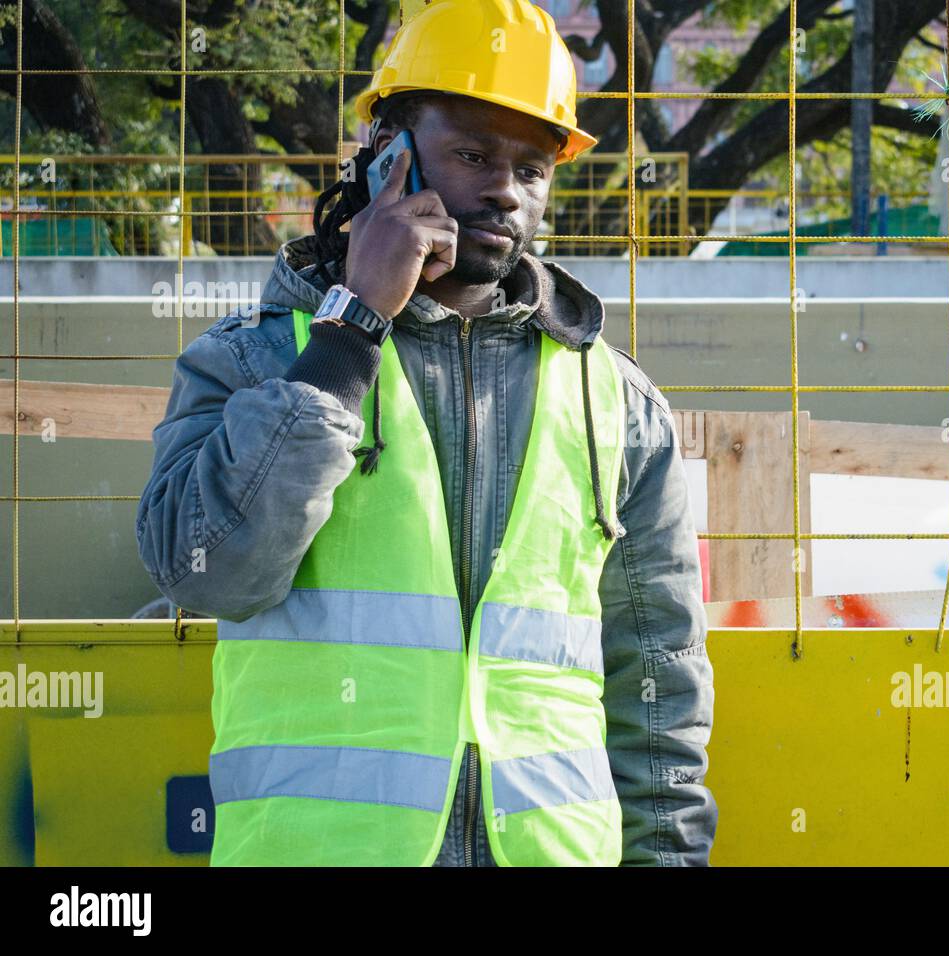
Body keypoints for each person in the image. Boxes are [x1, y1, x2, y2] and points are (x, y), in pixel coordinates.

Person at [135, 0, 717, 866]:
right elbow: (205, 571)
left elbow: (657, 679)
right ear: (388, 157)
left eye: (533, 167)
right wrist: (350, 331)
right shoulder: (258, 361)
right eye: (473, 154)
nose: (505, 191)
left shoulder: (616, 403)